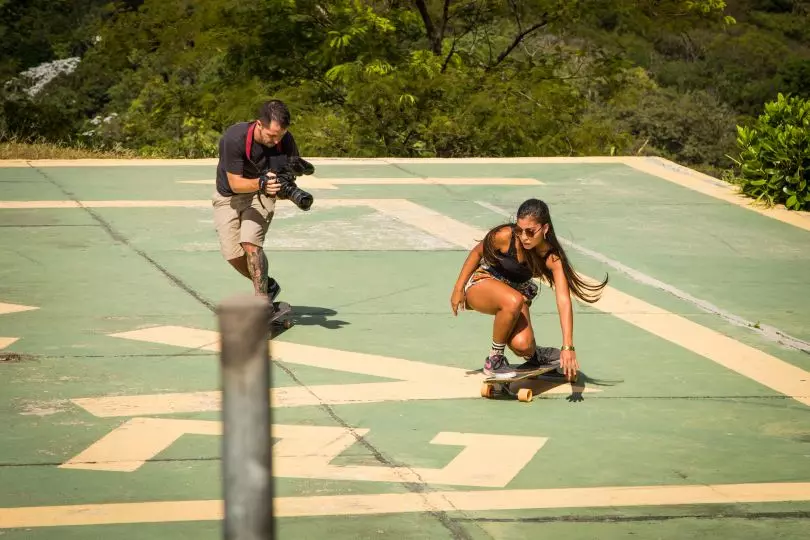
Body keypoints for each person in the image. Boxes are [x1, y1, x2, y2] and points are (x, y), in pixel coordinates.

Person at [450, 198, 608, 380]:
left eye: (530, 231)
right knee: (514, 300)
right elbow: (477, 252)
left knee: (523, 345)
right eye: (520, 230)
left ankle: (536, 355)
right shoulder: (504, 236)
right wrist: (458, 288)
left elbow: (563, 301)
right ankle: (495, 359)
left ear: (545, 229)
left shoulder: (552, 258)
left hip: (513, 295)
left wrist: (567, 346)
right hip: (482, 284)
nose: (524, 236)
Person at [212, 99, 300, 308]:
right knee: (232, 253)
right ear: (259, 124)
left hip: (262, 195)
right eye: (272, 135)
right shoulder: (234, 138)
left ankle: (261, 299)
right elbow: (235, 184)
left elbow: (288, 175)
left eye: (281, 135)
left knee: (250, 241)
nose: (276, 140)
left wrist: (284, 186)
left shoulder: (285, 140)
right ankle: (267, 285)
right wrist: (261, 183)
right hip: (230, 195)